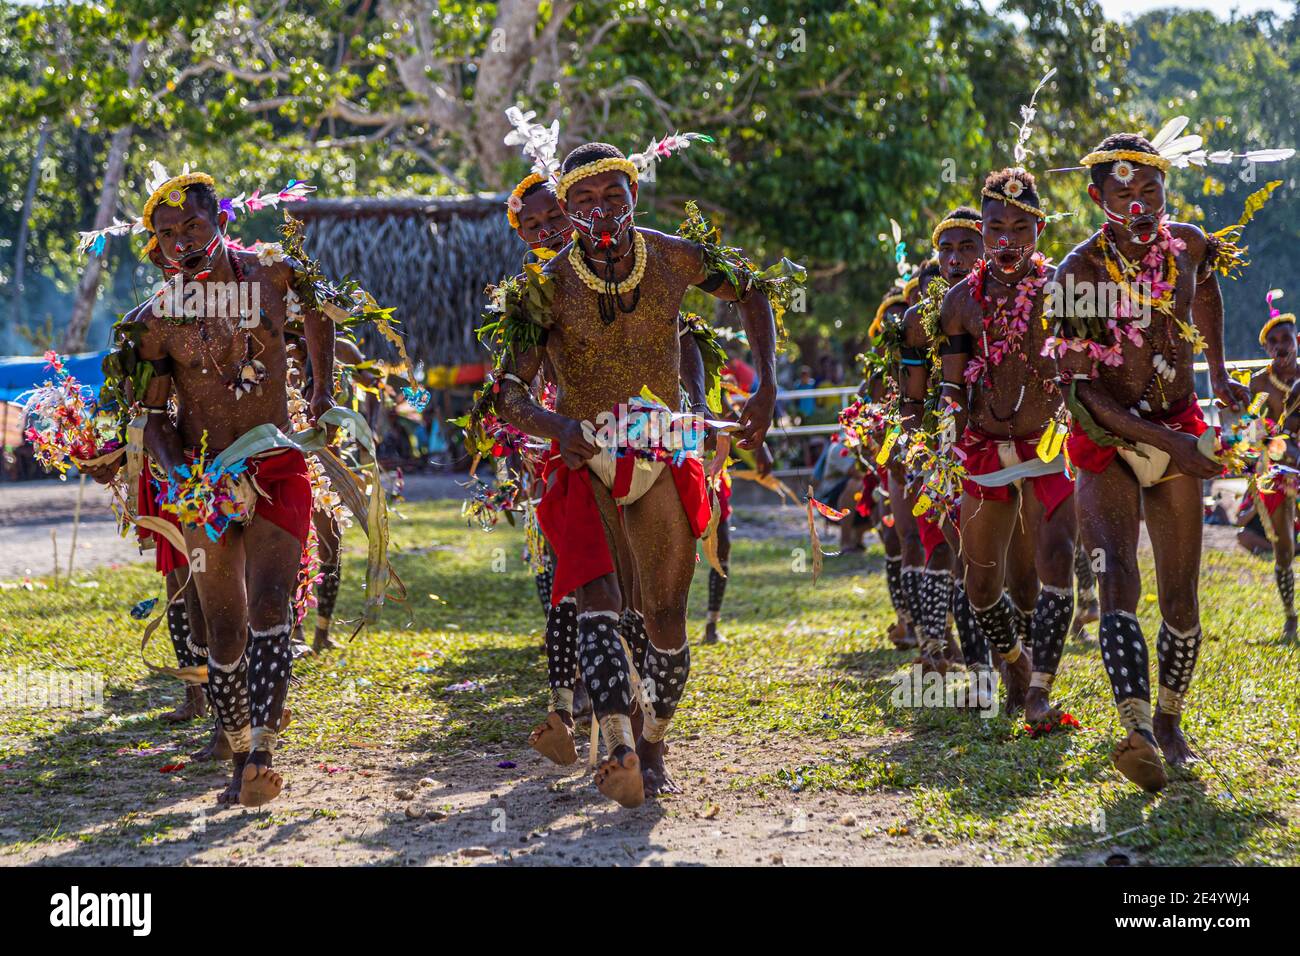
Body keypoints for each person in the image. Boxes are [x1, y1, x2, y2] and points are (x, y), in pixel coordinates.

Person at [490, 142, 784, 806]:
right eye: (585, 201)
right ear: (566, 209)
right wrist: (556, 426)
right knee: (598, 610)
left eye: (613, 196)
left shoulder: (674, 255)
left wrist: (767, 388)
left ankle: (652, 743)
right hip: (584, 462)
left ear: (635, 197)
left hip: (658, 455)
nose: (601, 211)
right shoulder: (547, 286)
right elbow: (508, 391)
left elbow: (754, 288)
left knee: (665, 620)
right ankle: (620, 753)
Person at [1052, 131, 1253, 791]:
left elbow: (1205, 296)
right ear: (1096, 197)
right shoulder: (1076, 275)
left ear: (1166, 190)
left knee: (1181, 596)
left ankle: (1169, 723)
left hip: (1177, 423)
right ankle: (1135, 728)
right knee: (1117, 584)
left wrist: (1219, 375)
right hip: (1108, 438)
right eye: (1122, 194)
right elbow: (1079, 390)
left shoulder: (1190, 244)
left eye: (1150, 192)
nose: (1138, 206)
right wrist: (1166, 446)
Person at [939, 169, 1078, 722]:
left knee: (1055, 562)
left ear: (1040, 230)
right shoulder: (958, 302)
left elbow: (1085, 362)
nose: (1008, 240)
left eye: (1021, 228)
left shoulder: (1063, 290)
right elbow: (951, 384)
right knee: (979, 584)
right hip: (985, 449)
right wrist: (939, 432)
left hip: (1049, 445)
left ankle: (1040, 689)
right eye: (997, 228)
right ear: (984, 230)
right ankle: (1014, 663)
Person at [1245, 291, 1299, 639]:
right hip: (1277, 471)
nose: (1281, 346)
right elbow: (1254, 434)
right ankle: (1290, 616)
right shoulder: (1259, 384)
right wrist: (1282, 450)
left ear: (1298, 340)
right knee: (1283, 548)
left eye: (1286, 339)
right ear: (1266, 349)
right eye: (1273, 342)